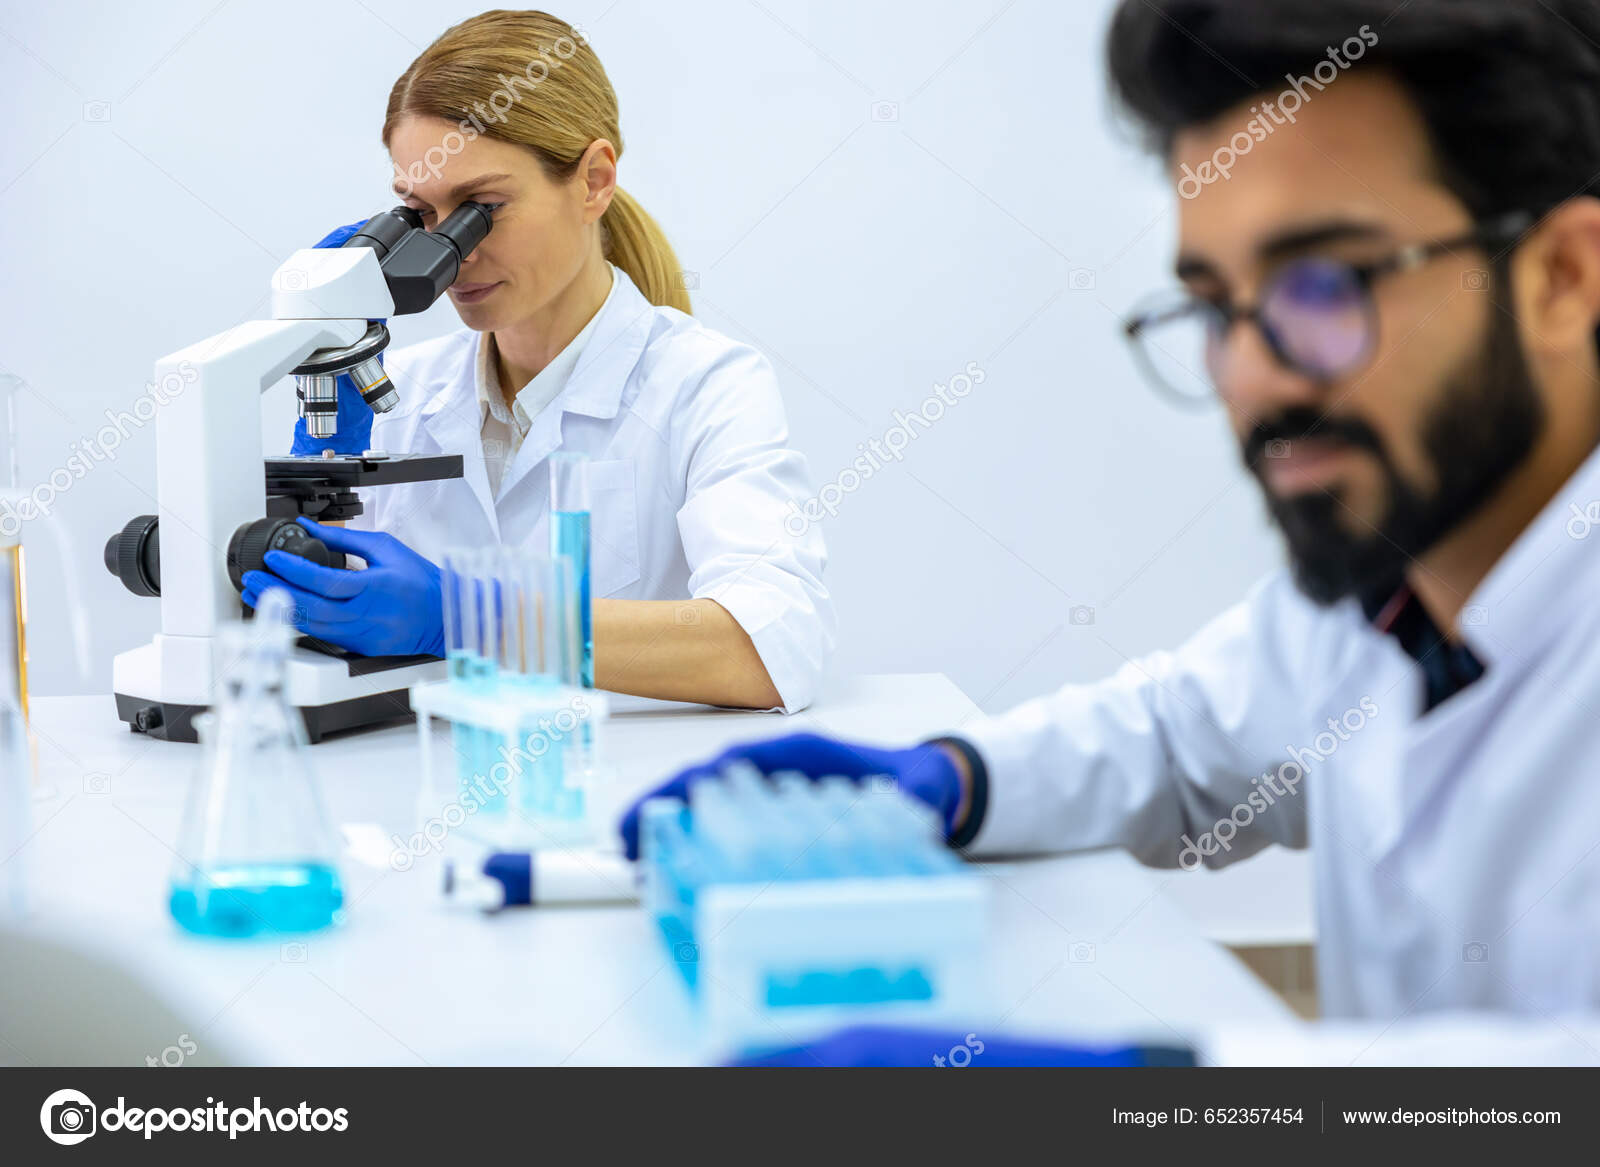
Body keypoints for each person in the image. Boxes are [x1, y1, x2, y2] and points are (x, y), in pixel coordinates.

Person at [625, 0, 1600, 1064]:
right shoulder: (1383, 590)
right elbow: (1179, 738)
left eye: (1326, 283)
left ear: (1564, 276)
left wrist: (1164, 1087)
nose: (1258, 378)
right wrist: (953, 779)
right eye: (1218, 306)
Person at [244, 10, 834, 713]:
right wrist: (314, 481)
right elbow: (322, 630)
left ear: (593, 180)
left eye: (481, 207)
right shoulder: (397, 396)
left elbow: (774, 646)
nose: (448, 254)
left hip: (618, 794)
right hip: (425, 795)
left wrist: (470, 618)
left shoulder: (705, 385)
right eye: (420, 214)